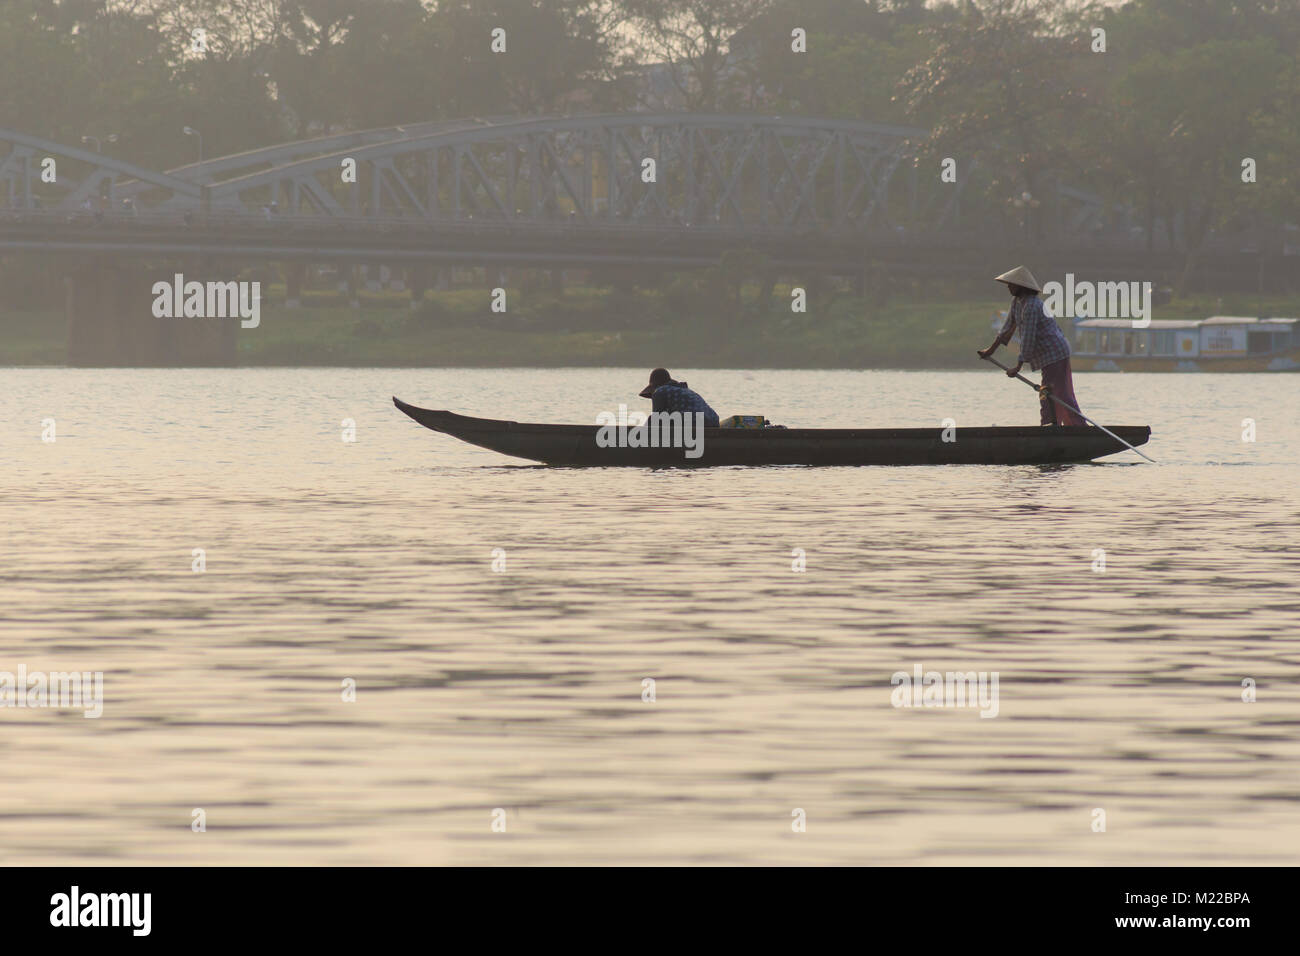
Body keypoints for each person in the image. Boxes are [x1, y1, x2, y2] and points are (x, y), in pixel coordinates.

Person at [978, 266, 1086, 427]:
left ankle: (1075, 427)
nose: (1008, 287)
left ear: (1021, 286)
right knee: (1048, 392)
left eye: (1011, 284)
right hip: (1047, 356)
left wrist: (1018, 366)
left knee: (1059, 393)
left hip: (1055, 353)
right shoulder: (1017, 302)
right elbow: (1007, 327)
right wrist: (990, 350)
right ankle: (1050, 424)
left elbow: (1028, 338)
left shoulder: (1031, 306)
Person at [638, 368, 720, 427]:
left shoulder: (660, 391)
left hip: (693, 422)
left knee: (651, 420)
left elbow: (656, 419)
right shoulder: (685, 390)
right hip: (713, 422)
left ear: (655, 386)